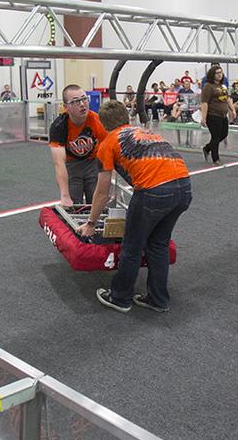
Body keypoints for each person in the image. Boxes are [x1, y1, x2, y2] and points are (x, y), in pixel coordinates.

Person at [78, 100, 191, 313]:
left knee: (132, 246)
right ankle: (158, 299)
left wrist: (91, 223)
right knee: (158, 244)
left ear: (102, 124)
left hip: (153, 191)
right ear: (127, 118)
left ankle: (120, 297)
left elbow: (103, 192)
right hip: (184, 187)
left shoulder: (108, 143)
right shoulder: (146, 132)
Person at [49, 85, 108, 205]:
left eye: (84, 99)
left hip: (93, 162)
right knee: (74, 204)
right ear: (66, 107)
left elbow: (108, 153)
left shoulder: (97, 121)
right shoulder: (59, 126)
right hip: (71, 165)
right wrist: (64, 195)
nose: (82, 104)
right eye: (76, 101)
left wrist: (108, 182)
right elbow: (59, 163)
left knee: (98, 202)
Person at [199, 65, 236, 165]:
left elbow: (227, 98)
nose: (220, 75)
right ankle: (216, 159)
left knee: (224, 134)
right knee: (215, 137)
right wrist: (204, 117)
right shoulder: (208, 87)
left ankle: (207, 148)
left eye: (221, 72)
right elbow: (204, 103)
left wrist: (233, 109)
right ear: (212, 74)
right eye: (217, 73)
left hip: (223, 115)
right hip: (213, 115)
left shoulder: (222, 85)